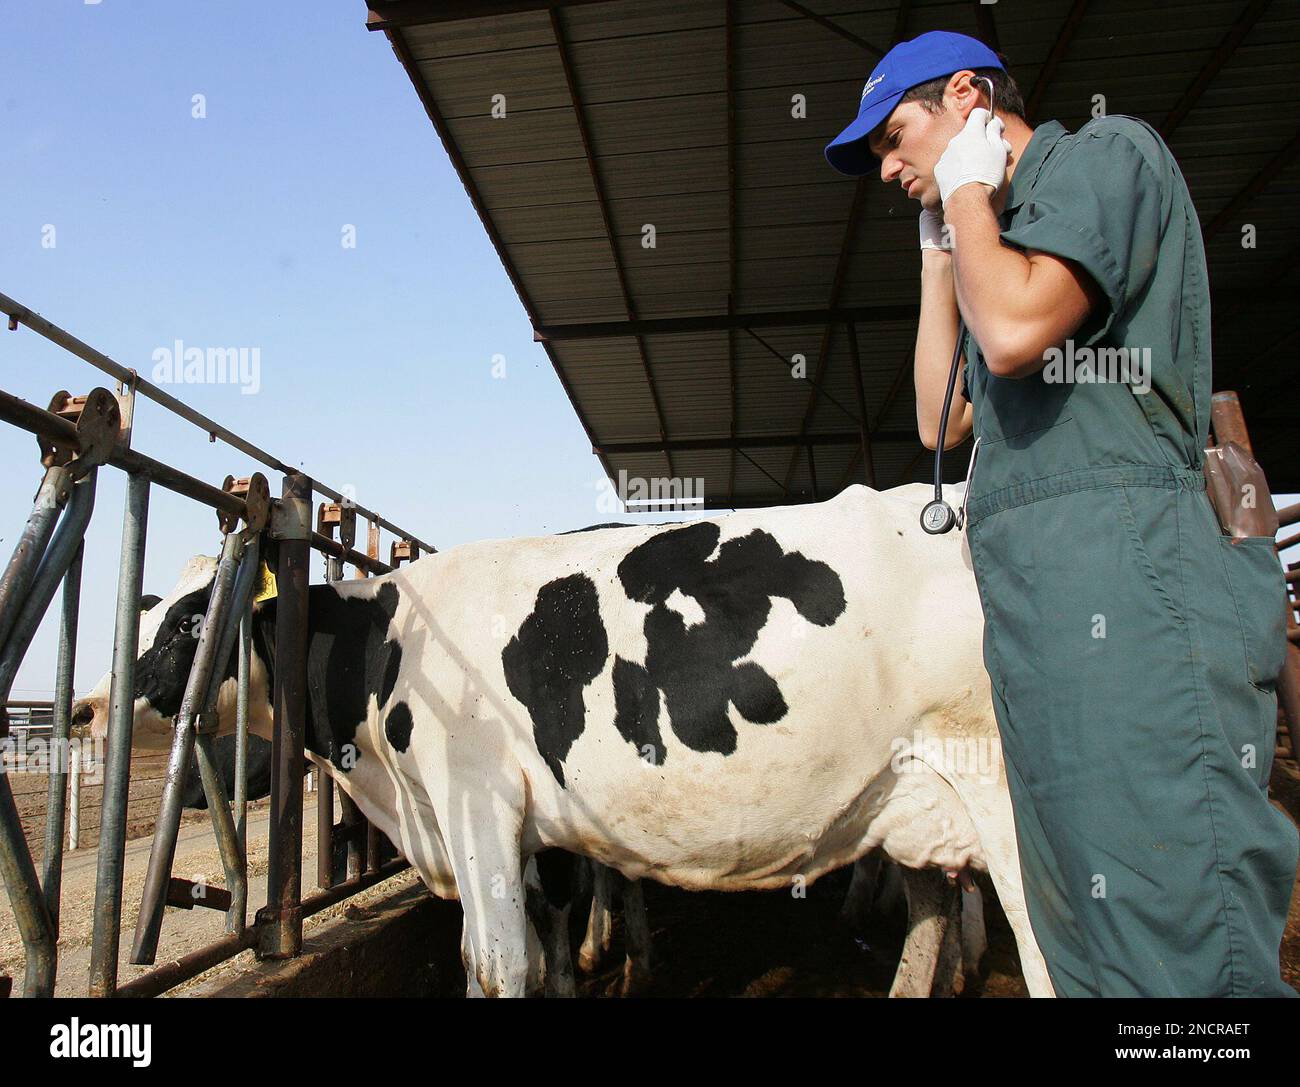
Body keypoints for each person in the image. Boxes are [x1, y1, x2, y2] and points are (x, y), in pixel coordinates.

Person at [825, 30, 1298, 997]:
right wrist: (940, 255)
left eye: (895, 135)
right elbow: (937, 418)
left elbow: (1010, 334)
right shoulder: (991, 238)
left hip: (1135, 610)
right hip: (1041, 635)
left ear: (966, 96)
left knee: (1177, 941)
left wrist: (963, 196)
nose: (887, 167)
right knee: (1080, 940)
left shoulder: (1103, 157)